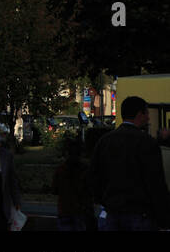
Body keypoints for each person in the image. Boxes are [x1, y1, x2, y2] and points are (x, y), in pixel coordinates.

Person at [91, 94, 170, 231]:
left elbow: (94, 176)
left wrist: (104, 201)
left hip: (112, 212)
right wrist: (163, 217)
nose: (149, 117)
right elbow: (155, 183)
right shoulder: (146, 142)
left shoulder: (105, 141)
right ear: (140, 114)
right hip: (140, 213)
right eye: (146, 113)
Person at [52, 136, 94, 232]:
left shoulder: (61, 170)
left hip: (64, 210)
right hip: (81, 210)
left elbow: (54, 189)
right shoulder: (85, 170)